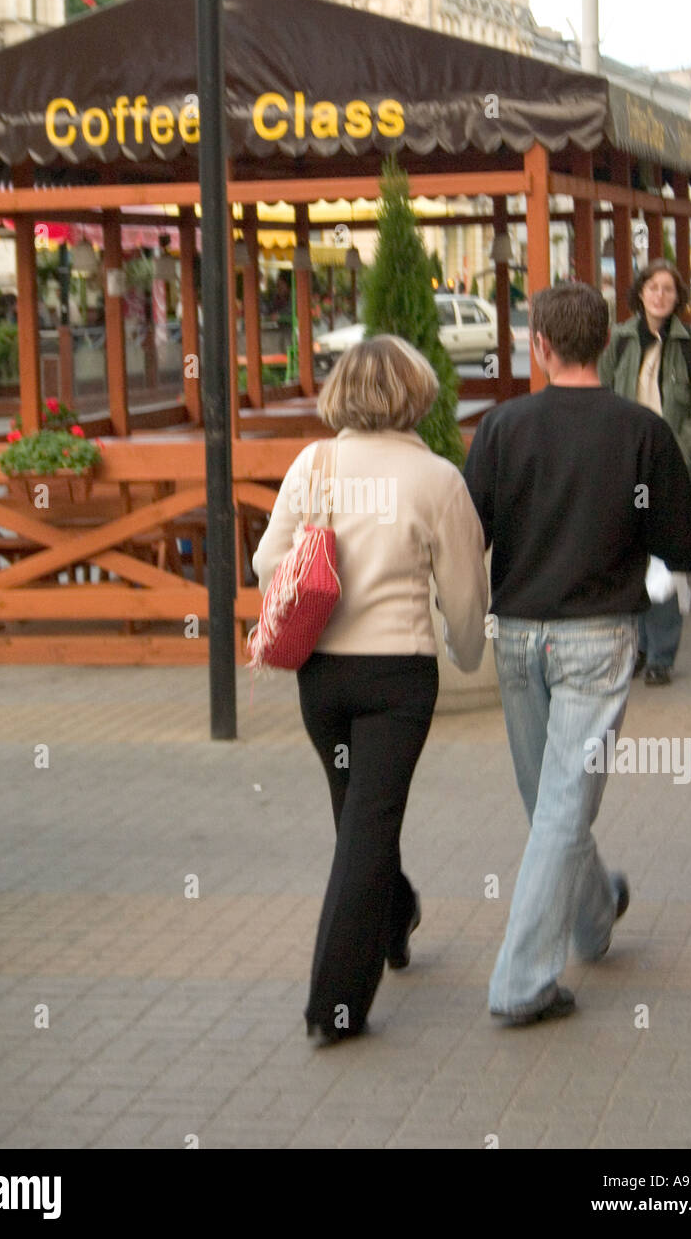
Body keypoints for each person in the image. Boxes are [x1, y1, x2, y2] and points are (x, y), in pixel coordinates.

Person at [464, 283, 691, 1026]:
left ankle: (590, 921)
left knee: (551, 802)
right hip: (598, 637)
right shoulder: (640, 430)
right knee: (561, 804)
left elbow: (468, 528)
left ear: (538, 344)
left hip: (517, 634)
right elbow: (687, 544)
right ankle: (526, 980)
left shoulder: (503, 428)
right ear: (607, 343)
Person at [252, 336, 488, 1045]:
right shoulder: (436, 477)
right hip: (396, 678)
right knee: (368, 825)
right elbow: (465, 593)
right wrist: (469, 654)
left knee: (356, 817)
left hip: (321, 674)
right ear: (417, 394)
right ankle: (337, 1005)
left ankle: (394, 915)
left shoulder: (313, 462)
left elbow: (267, 562)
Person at [598, 259, 691, 685]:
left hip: (671, 467)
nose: (660, 295)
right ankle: (638, 647)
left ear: (678, 297)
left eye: (668, 289)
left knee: (667, 560)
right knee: (629, 558)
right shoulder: (622, 340)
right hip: (627, 466)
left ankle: (662, 654)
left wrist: (676, 462)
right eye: (653, 288)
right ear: (641, 294)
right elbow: (603, 398)